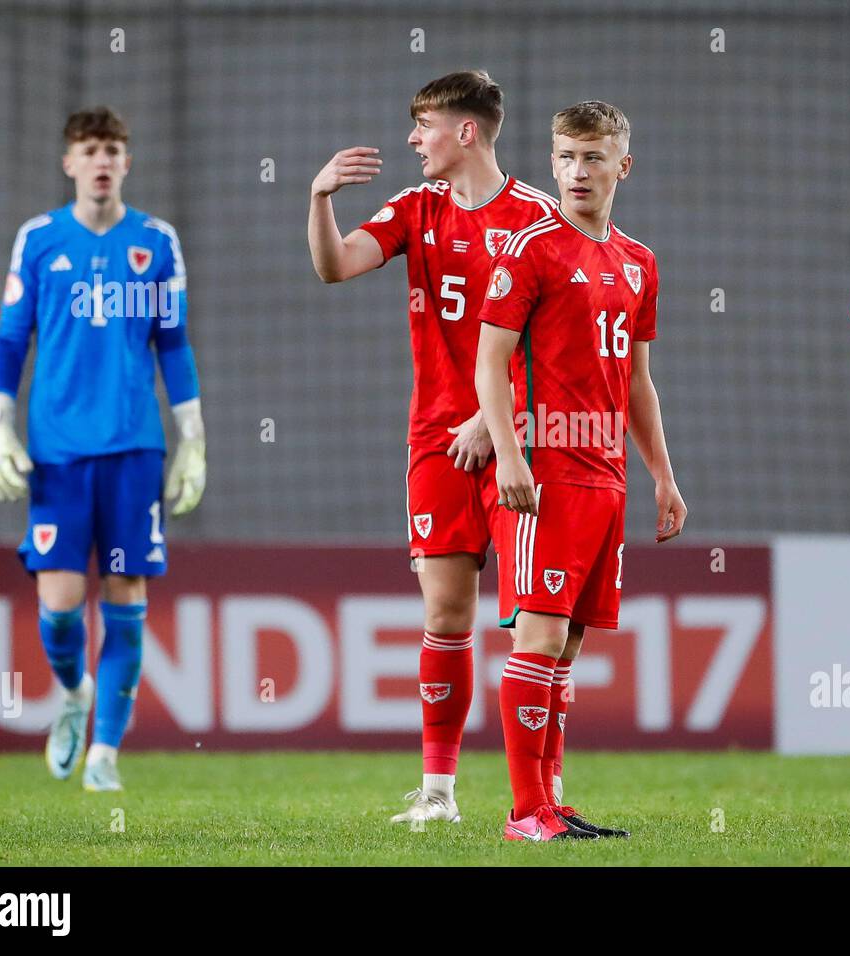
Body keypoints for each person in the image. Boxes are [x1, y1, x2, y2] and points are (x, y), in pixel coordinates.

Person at [307, 70, 557, 825]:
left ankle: (543, 800)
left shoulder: (538, 219)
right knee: (448, 615)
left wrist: (495, 418)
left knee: (542, 624)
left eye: (424, 126)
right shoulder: (418, 209)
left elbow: (560, 342)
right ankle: (439, 795)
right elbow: (334, 265)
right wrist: (319, 199)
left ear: (467, 132)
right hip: (435, 442)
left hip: (518, 439)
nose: (414, 140)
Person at [475, 101, 687, 840]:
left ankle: (552, 801)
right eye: (565, 157)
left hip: (606, 478)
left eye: (594, 157)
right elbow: (491, 360)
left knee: (568, 645)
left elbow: (636, 382)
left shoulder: (638, 262)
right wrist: (508, 454)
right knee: (536, 637)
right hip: (543, 475)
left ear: (622, 166)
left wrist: (661, 474)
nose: (577, 171)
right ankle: (524, 811)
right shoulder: (531, 249)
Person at [0, 105, 206, 792]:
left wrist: (191, 437)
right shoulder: (40, 239)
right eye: (89, 149)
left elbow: (172, 344)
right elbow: (11, 341)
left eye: (112, 148)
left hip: (134, 449)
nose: (102, 160)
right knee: (58, 607)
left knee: (126, 600)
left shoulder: (157, 241)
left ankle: (105, 756)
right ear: (69, 163)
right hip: (58, 452)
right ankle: (76, 695)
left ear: (126, 162)